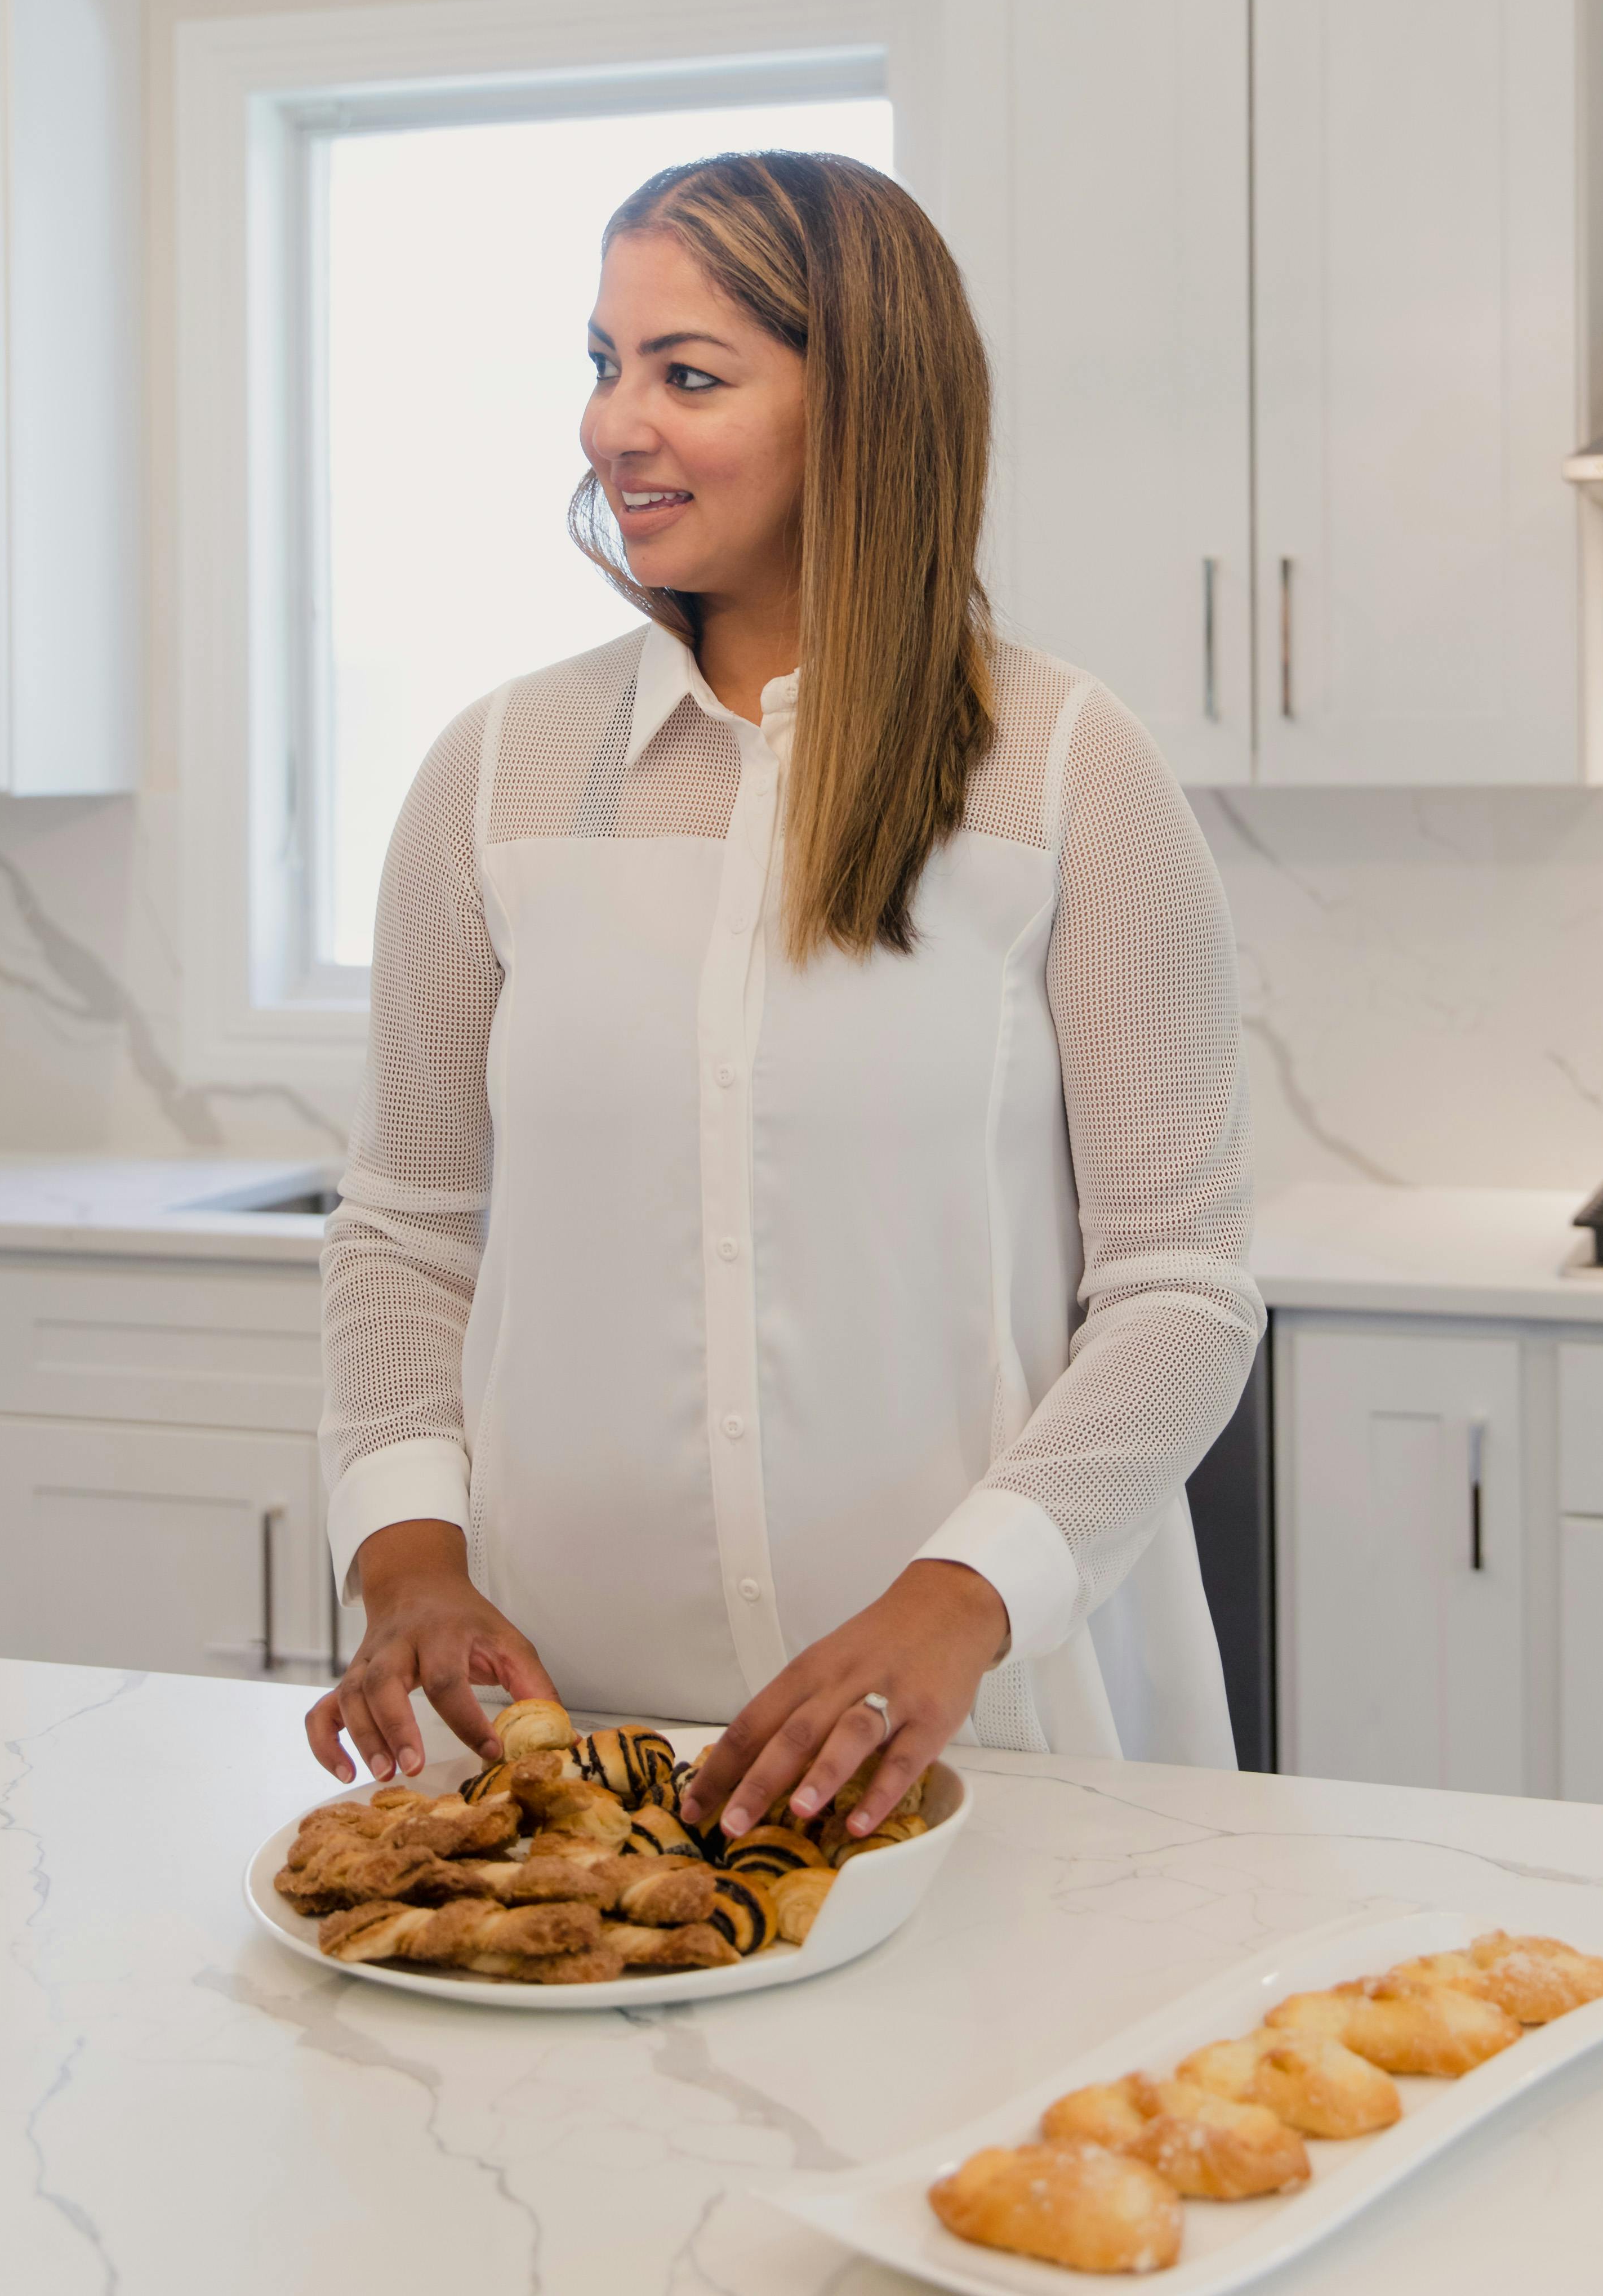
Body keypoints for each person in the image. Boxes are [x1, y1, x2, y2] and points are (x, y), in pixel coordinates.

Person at [306, 149, 1261, 1845]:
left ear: (866, 409)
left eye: (690, 374)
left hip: (988, 1739)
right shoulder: (498, 772)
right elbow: (404, 1230)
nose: (615, 426)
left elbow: (1181, 1288)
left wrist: (961, 1600)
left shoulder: (1063, 774)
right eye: (605, 367)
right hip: (562, 1758)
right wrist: (407, 1560)